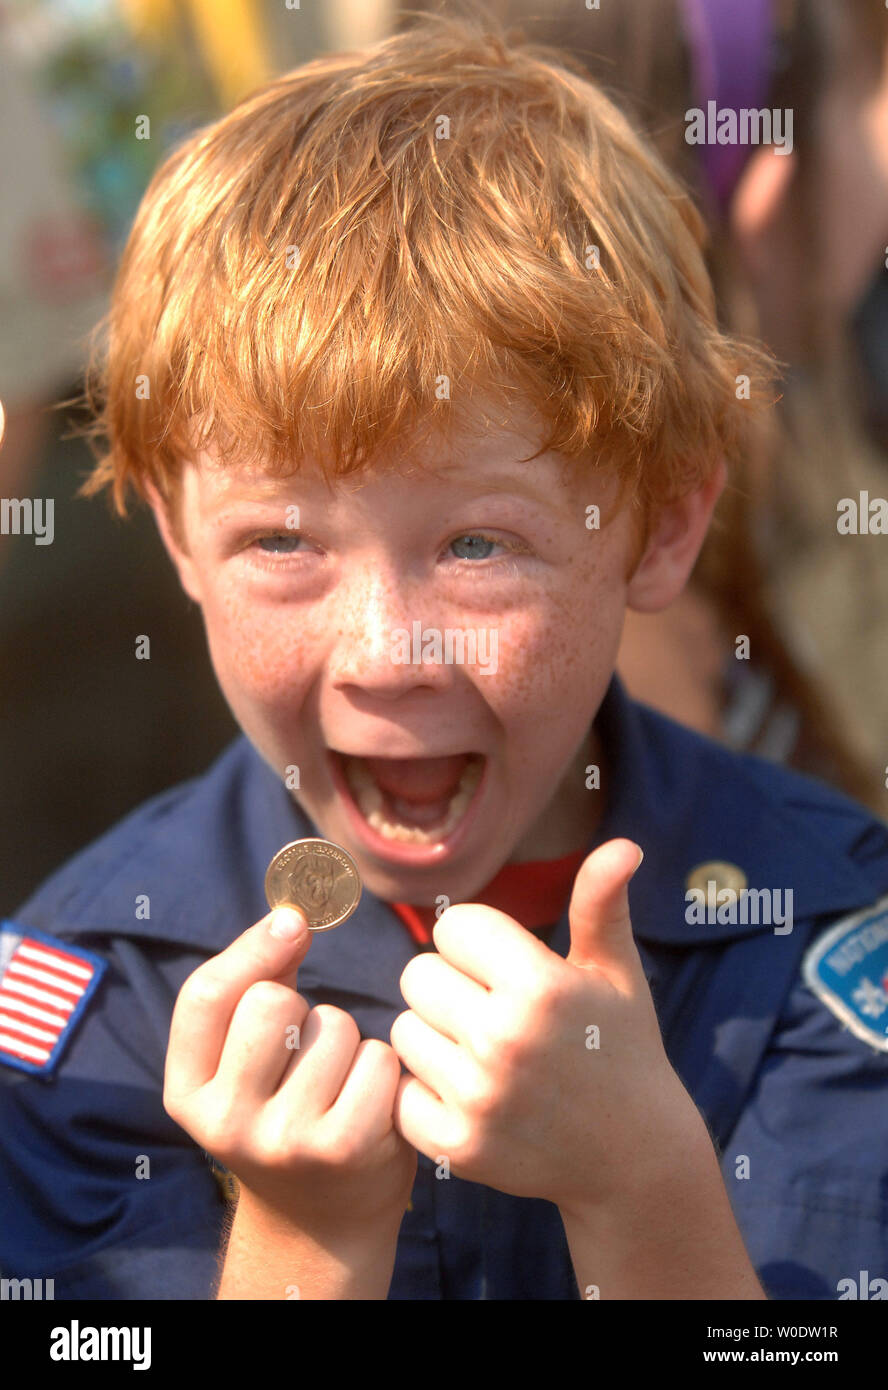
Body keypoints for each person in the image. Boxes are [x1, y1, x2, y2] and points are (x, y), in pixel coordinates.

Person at [1, 10, 887, 1301]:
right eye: (282, 541)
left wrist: (643, 1188)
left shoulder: (831, 928)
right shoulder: (81, 996)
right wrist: (301, 1242)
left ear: (661, 523)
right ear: (174, 535)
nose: (385, 653)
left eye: (477, 543)